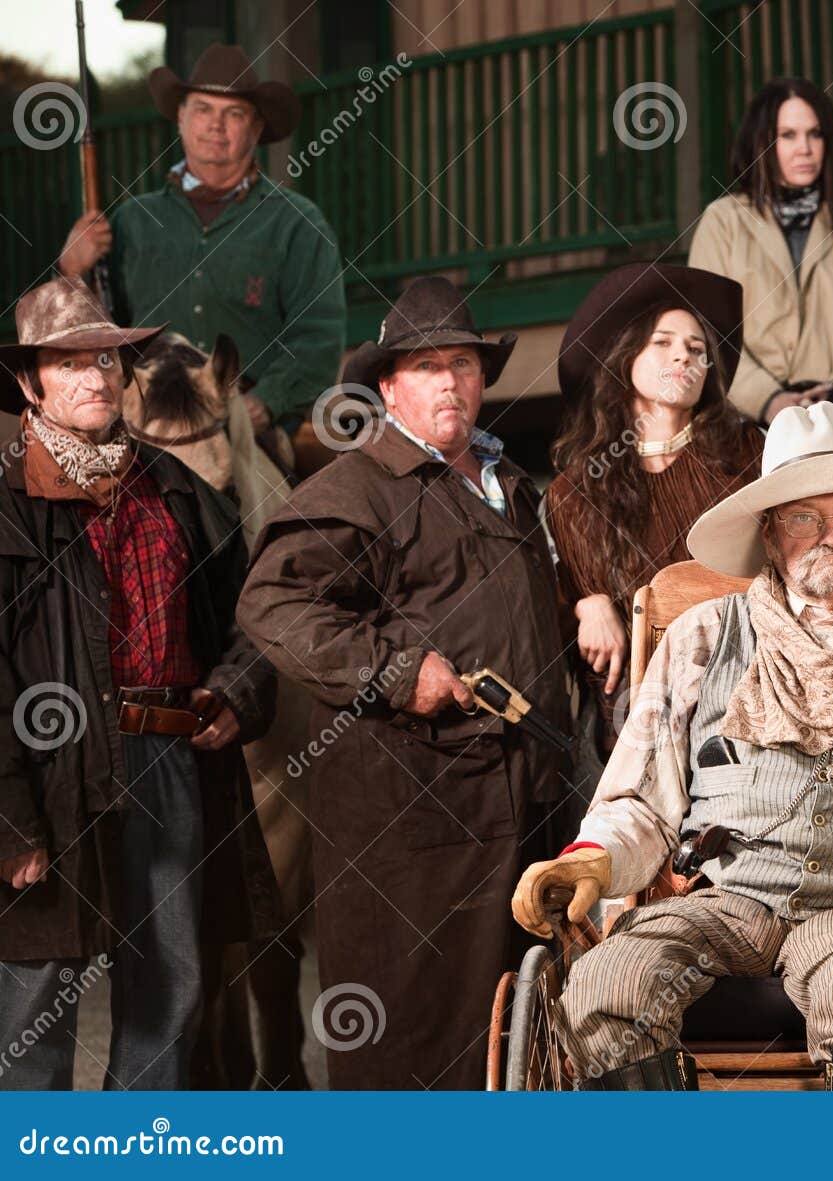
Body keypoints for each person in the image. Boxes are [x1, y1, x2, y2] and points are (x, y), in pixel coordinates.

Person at [511, 402, 833, 1090]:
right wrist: (593, 858)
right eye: (803, 517)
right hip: (724, 903)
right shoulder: (701, 637)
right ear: (770, 534)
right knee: (606, 983)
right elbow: (638, 804)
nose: (832, 534)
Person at [235, 277, 571, 1089]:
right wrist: (397, 669)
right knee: (417, 1054)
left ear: (482, 379)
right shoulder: (355, 488)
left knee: (517, 1051)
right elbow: (271, 604)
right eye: (425, 367)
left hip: (525, 810)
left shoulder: (508, 482)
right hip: (415, 827)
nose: (448, 382)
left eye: (463, 364)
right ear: (388, 389)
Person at [0, 278, 278, 1089]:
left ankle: (140, 1146)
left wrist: (236, 688)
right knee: (35, 998)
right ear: (29, 383)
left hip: (167, 762)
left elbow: (255, 615)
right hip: (50, 771)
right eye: (69, 362)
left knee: (170, 990)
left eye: (106, 359)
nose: (95, 376)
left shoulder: (177, 488)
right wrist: (10, 819)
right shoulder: (6, 505)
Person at [56, 43, 344, 454]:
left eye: (234, 114)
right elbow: (90, 335)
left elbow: (318, 337)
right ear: (181, 118)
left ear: (256, 129)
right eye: (203, 109)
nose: (216, 125)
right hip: (144, 432)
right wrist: (70, 270)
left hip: (247, 430)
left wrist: (264, 404)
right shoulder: (132, 220)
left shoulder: (299, 223)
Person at [545, 263, 764, 744]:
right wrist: (584, 605)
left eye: (697, 349)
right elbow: (544, 606)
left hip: (750, 709)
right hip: (634, 728)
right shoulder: (574, 493)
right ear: (624, 357)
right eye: (662, 342)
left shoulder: (748, 454)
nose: (683, 356)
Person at [688, 78, 833, 424]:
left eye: (815, 134)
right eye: (788, 135)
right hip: (742, 422)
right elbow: (708, 328)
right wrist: (768, 400)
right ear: (761, 142)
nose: (805, 148)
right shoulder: (722, 222)